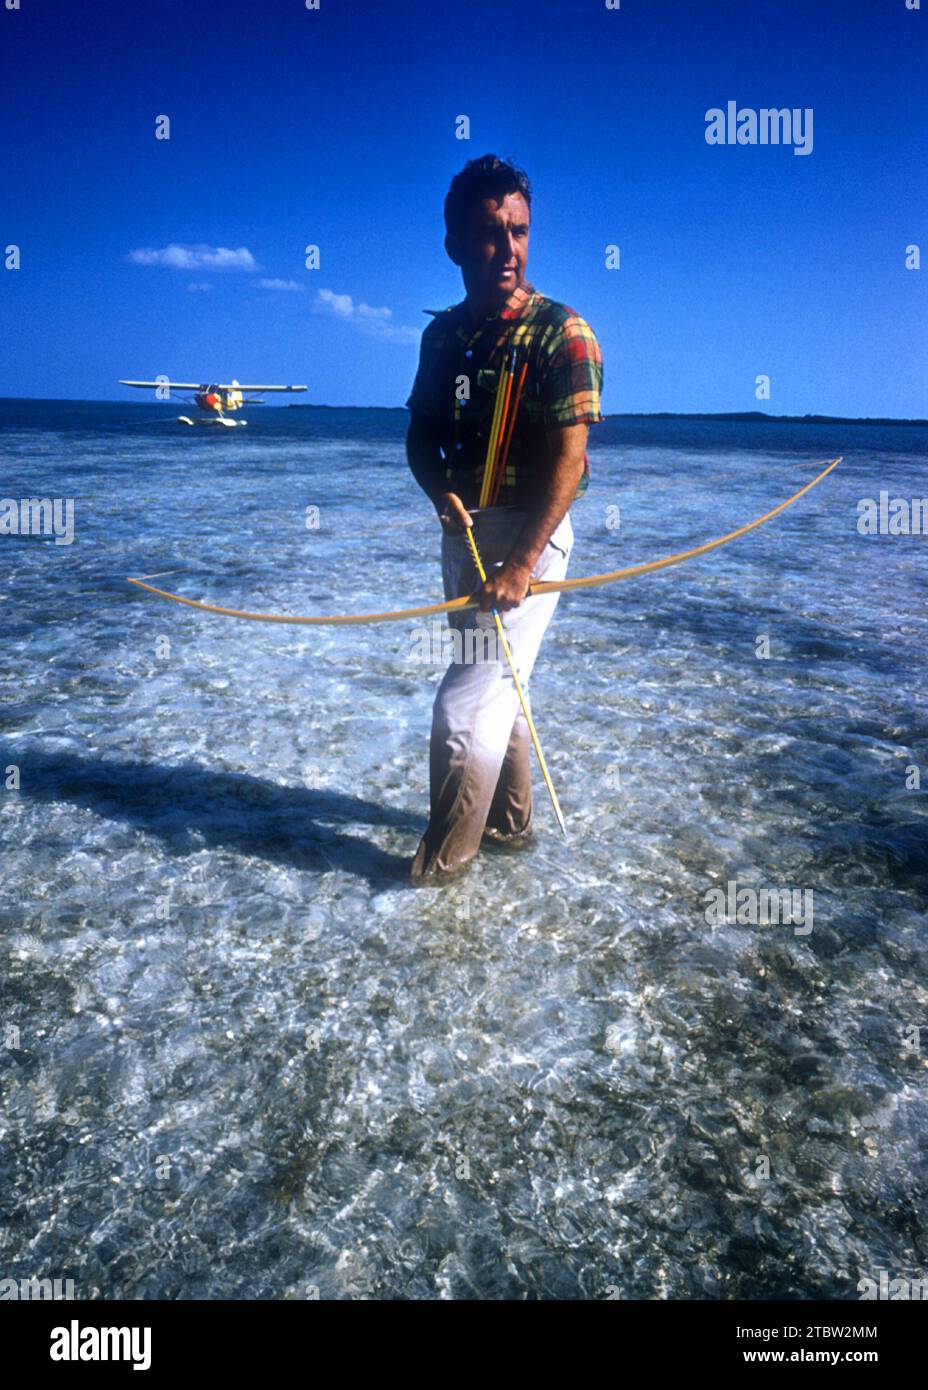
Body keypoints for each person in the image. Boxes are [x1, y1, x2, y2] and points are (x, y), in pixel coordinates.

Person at [405, 154, 604, 882]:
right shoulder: (443, 338)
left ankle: (439, 876)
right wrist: (438, 493)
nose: (509, 250)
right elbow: (421, 436)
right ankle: (512, 834)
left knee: (463, 709)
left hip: (533, 541)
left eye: (519, 231)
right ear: (456, 244)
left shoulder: (562, 333)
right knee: (499, 689)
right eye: (491, 234)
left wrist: (523, 560)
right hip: (464, 533)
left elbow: (569, 463)